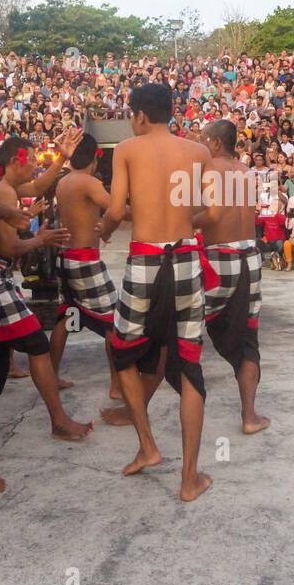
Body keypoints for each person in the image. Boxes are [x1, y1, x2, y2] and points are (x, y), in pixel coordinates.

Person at [98, 82, 217, 502]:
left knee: (123, 349)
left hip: (145, 259)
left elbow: (114, 211)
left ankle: (148, 445)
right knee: (189, 363)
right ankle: (189, 479)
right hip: (185, 258)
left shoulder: (128, 149)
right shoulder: (198, 152)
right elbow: (211, 211)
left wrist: (106, 231)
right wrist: (179, 217)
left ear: (140, 116)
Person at [0, 138, 90, 441]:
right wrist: (40, 240)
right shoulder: (3, 192)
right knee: (36, 344)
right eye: (31, 158)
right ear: (15, 161)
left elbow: (37, 186)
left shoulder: (6, 188)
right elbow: (10, 246)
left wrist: (61, 159)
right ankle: (59, 421)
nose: (35, 163)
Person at [197, 118, 268, 434]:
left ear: (214, 142)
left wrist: (181, 219)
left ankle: (135, 407)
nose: (200, 144)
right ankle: (249, 417)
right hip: (250, 255)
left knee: (182, 329)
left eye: (202, 139)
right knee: (247, 335)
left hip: (220, 255)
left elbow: (212, 214)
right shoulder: (246, 172)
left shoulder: (209, 169)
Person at [52, 133, 122, 403]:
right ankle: (117, 385)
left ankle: (53, 374)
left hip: (67, 256)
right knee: (114, 322)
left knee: (65, 318)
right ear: (94, 158)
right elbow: (116, 210)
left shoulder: (64, 182)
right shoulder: (89, 182)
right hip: (84, 261)